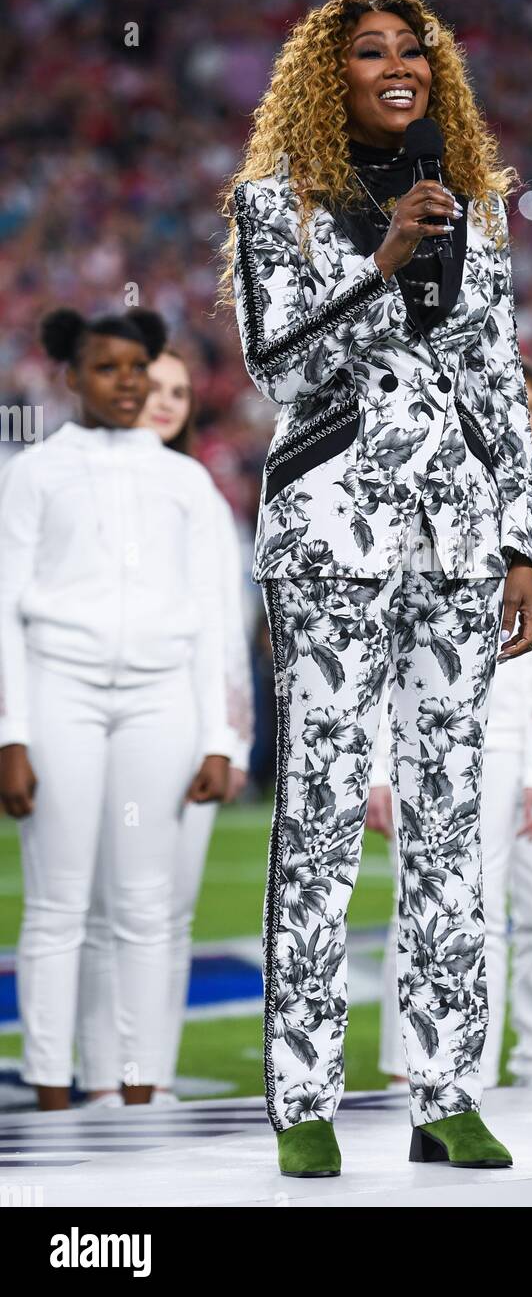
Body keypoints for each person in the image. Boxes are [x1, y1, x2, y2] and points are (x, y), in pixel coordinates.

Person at [218, 0, 532, 1178]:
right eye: (370, 52)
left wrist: (520, 543)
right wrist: (386, 259)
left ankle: (444, 1087)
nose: (397, 64)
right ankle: (304, 1095)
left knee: (448, 818)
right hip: (330, 535)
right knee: (319, 809)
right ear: (328, 74)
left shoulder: (479, 209)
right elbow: (273, 359)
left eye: (414, 49)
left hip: (456, 541)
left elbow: (498, 378)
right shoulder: (276, 204)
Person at [0, 308, 234, 1111]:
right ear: (71, 377)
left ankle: (136, 1089)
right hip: (58, 688)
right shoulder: (33, 472)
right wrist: (11, 732)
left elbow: (212, 610)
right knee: (59, 904)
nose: (129, 383)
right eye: (108, 369)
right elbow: (3, 607)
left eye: (138, 368)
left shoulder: (186, 481)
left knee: (143, 906)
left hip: (160, 700)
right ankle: (51, 1094)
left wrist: (219, 737)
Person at [371, 362, 532, 1092]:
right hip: (440, 728)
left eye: (531, 407)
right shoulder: (416, 498)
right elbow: (386, 639)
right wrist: (380, 763)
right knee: (430, 899)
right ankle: (408, 1069)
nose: (520, 418)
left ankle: (526, 1063)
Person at [74, 346, 255, 1106]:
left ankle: (153, 1073)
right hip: (101, 716)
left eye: (180, 390)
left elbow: (233, 624)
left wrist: (230, 737)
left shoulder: (202, 497)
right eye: (152, 385)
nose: (165, 399)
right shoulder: (78, 480)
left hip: (187, 727)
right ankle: (95, 1075)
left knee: (170, 912)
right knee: (100, 907)